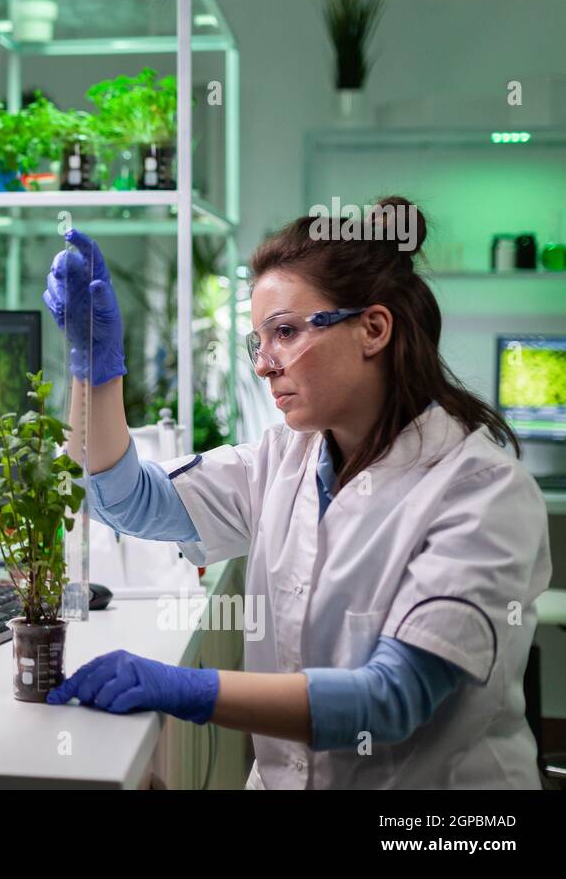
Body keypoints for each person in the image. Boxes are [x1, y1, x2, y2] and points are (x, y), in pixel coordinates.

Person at [44, 200, 550, 789]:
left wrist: (189, 689)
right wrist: (94, 369)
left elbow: (391, 698)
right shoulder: (284, 459)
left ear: (374, 329)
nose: (263, 366)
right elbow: (126, 501)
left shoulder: (482, 492)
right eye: (258, 342)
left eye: (284, 332)